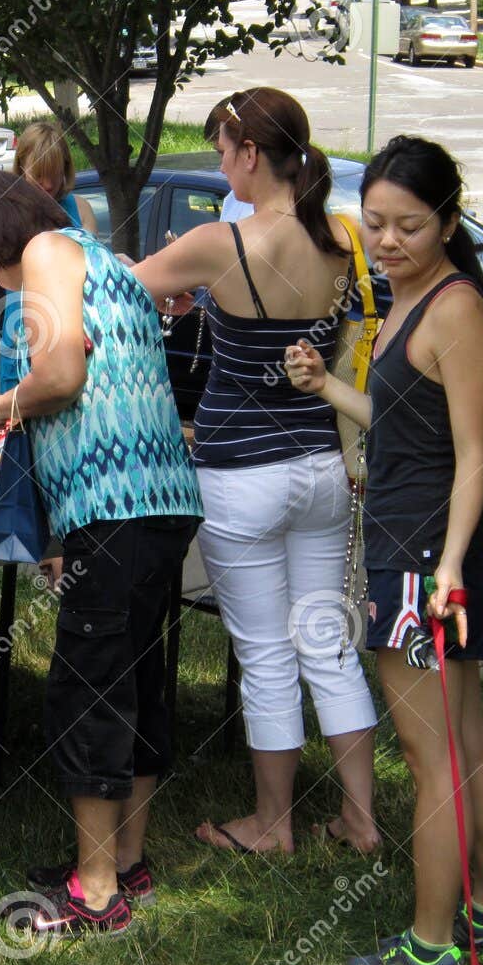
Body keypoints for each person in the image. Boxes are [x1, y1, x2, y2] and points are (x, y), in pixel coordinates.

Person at [286, 135, 483, 965]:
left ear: (448, 222)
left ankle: (432, 948)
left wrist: (448, 565)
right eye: (375, 224)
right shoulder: (412, 301)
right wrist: (327, 388)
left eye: (409, 226)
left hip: (426, 561)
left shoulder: (454, 307)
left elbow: (472, 453)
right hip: (423, 550)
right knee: (464, 741)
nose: (387, 241)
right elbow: (405, 424)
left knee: (432, 761)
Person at [128, 87, 379, 855]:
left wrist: (187, 294)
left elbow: (118, 287)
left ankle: (273, 824)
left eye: (221, 152)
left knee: (267, 655)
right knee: (327, 644)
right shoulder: (338, 239)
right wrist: (206, 307)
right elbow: (307, 339)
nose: (219, 166)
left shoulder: (222, 241)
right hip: (319, 467)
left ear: (248, 155)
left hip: (242, 471)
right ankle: (361, 820)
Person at [0, 172, 203, 938]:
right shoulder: (101, 257)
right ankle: (125, 861)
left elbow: (62, 376)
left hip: (115, 499)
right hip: (159, 497)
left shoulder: (42, 254)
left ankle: (94, 892)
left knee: (89, 686)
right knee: (134, 678)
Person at [0, 122, 98, 394]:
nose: (49, 184)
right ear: (21, 166)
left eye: (56, 174)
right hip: (22, 336)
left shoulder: (80, 208)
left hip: (72, 336)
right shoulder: (7, 211)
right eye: (39, 174)